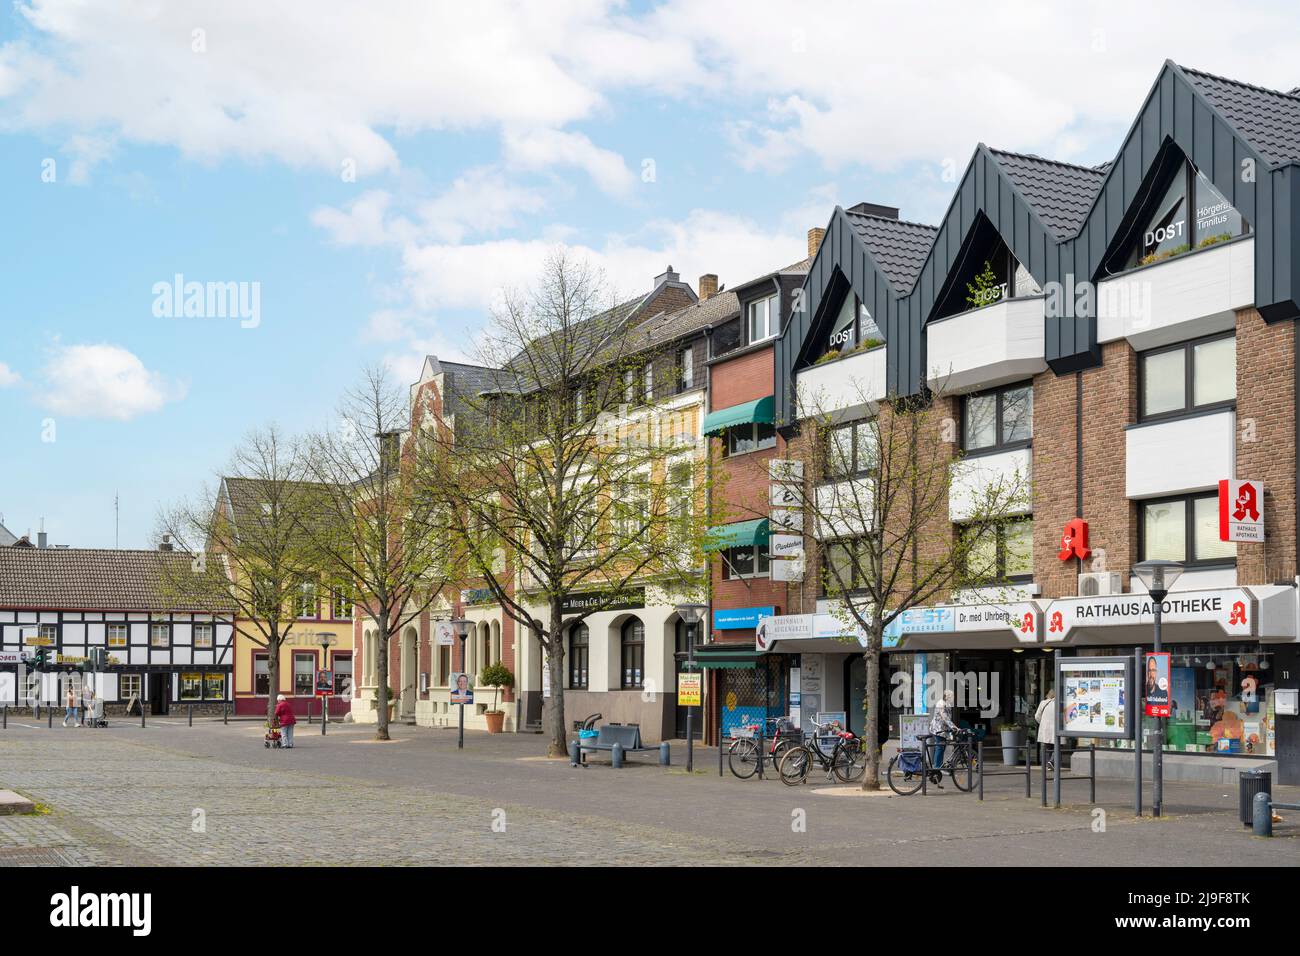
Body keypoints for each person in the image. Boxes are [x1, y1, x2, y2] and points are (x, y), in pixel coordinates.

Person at [928, 689, 959, 786]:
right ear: (946, 696)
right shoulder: (941, 704)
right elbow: (945, 717)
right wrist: (953, 727)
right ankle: (937, 768)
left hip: (943, 730)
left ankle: (939, 767)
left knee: (942, 747)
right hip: (938, 729)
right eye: (951, 696)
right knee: (939, 748)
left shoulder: (947, 704)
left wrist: (951, 727)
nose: (953, 698)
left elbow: (948, 718)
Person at [1035, 686, 1057, 770]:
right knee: (1056, 746)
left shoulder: (1043, 703)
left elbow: (1037, 716)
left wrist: (1043, 723)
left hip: (1045, 729)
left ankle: (1048, 764)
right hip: (1056, 729)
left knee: (1047, 747)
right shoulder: (1058, 703)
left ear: (1048, 695)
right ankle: (1051, 762)